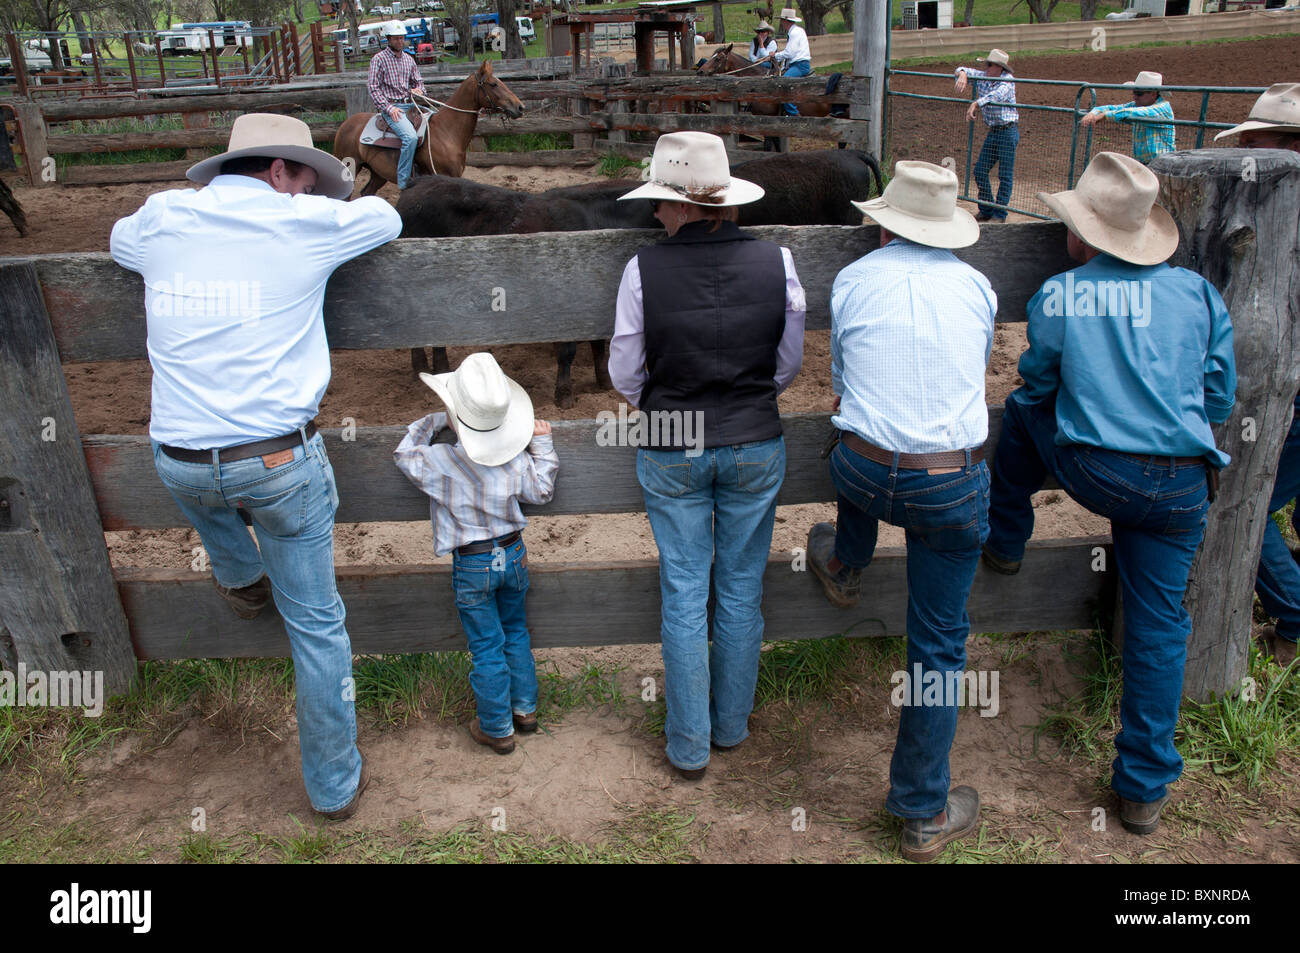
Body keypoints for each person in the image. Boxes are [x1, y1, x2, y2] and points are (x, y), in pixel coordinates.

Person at [109, 114, 403, 819]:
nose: (311, 194)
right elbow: (384, 221)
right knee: (317, 625)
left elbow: (118, 241)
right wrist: (310, 213)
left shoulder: (160, 218)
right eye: (306, 180)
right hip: (275, 461)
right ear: (278, 171)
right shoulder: (305, 225)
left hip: (177, 457)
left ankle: (239, 572)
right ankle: (333, 786)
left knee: (200, 486)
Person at [981, 152, 1236, 836]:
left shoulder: (1065, 293)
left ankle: (1005, 539)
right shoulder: (1199, 293)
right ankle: (1145, 786)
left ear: (1082, 233)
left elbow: (1037, 376)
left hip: (1099, 472)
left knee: (1022, 413)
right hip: (1181, 483)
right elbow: (1218, 395)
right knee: (1159, 625)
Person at [803, 160, 994, 863]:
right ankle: (921, 809)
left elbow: (845, 381)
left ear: (883, 223)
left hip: (863, 471)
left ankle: (848, 561)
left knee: (853, 429)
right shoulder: (976, 287)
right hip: (946, 485)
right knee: (938, 644)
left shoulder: (853, 279)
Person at [609, 131, 806, 780]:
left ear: (684, 204)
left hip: (673, 445)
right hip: (755, 440)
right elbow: (787, 364)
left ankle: (689, 745)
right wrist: (746, 398)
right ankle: (730, 726)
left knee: (685, 588)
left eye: (661, 202)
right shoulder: (778, 262)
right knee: (741, 588)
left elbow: (626, 375)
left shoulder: (643, 269)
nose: (655, 214)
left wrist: (670, 403)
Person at [393, 353, 559, 755]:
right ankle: (526, 711)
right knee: (516, 631)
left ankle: (496, 728)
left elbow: (404, 452)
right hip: (513, 553)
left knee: (486, 644)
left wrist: (434, 420)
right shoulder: (516, 458)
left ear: (455, 416)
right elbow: (542, 490)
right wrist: (542, 443)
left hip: (472, 562)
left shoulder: (440, 462)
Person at [1215, 82, 1300, 667]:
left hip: (1289, 390)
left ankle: (1294, 617)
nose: (1252, 158)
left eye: (1261, 144)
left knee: (1249, 490)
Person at [954, 49, 1019, 223]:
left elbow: (996, 95)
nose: (986, 67)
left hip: (1007, 131)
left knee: (1005, 175)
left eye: (989, 64)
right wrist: (962, 74)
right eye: (986, 64)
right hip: (994, 131)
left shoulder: (1007, 81)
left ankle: (999, 214)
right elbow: (962, 69)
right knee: (980, 170)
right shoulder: (984, 76)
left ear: (999, 67)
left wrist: (976, 103)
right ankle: (987, 208)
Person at [368, 20, 427, 190]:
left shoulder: (409, 59)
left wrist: (419, 90)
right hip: (392, 108)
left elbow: (419, 82)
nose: (400, 42)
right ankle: (403, 183)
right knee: (410, 138)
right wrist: (388, 108)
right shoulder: (379, 60)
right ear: (388, 39)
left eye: (402, 38)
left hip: (411, 105)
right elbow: (373, 88)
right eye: (396, 39)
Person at [1080, 70, 1175, 166]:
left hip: (1163, 166)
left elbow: (1134, 112)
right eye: (1134, 92)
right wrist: (1093, 113)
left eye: (1139, 93)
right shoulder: (1138, 105)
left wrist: (1105, 115)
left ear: (1153, 94)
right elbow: (1113, 108)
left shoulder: (1163, 108)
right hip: (1145, 164)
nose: (1134, 97)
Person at [772, 7, 811, 116]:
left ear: (785, 21)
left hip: (799, 65)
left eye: (782, 21)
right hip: (798, 64)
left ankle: (793, 114)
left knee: (783, 84)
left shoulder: (794, 33)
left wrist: (775, 55)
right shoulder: (796, 31)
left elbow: (789, 53)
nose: (781, 23)